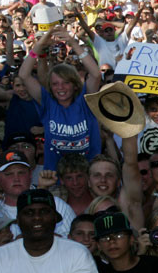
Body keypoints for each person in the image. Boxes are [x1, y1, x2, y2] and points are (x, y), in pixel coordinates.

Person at [18, 26, 102, 170]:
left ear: (75, 85)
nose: (60, 88)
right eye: (55, 84)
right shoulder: (48, 103)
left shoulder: (85, 101)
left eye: (66, 83)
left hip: (88, 176)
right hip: (56, 178)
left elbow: (96, 74)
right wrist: (40, 45)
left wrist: (73, 43)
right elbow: (24, 75)